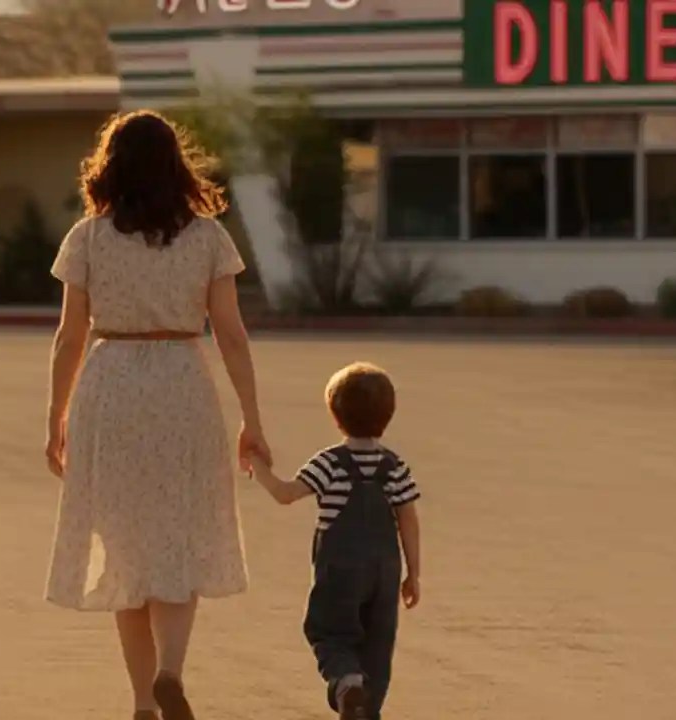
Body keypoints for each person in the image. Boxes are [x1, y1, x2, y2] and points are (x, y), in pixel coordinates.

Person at [43, 110, 271, 720]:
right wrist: (251, 418)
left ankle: (144, 702)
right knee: (179, 542)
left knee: (125, 548)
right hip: (182, 385)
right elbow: (232, 335)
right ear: (176, 165)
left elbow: (69, 337)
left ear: (109, 166)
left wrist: (55, 416)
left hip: (110, 386)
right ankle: (171, 670)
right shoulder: (207, 239)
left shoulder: (88, 238)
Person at [246, 362, 421, 720]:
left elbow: (286, 494)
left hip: (340, 568)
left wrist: (256, 465)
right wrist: (413, 573)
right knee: (378, 643)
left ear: (336, 417)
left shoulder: (330, 463)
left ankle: (346, 682)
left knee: (329, 631)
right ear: (388, 415)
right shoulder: (394, 466)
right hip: (385, 570)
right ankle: (366, 709)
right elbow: (408, 519)